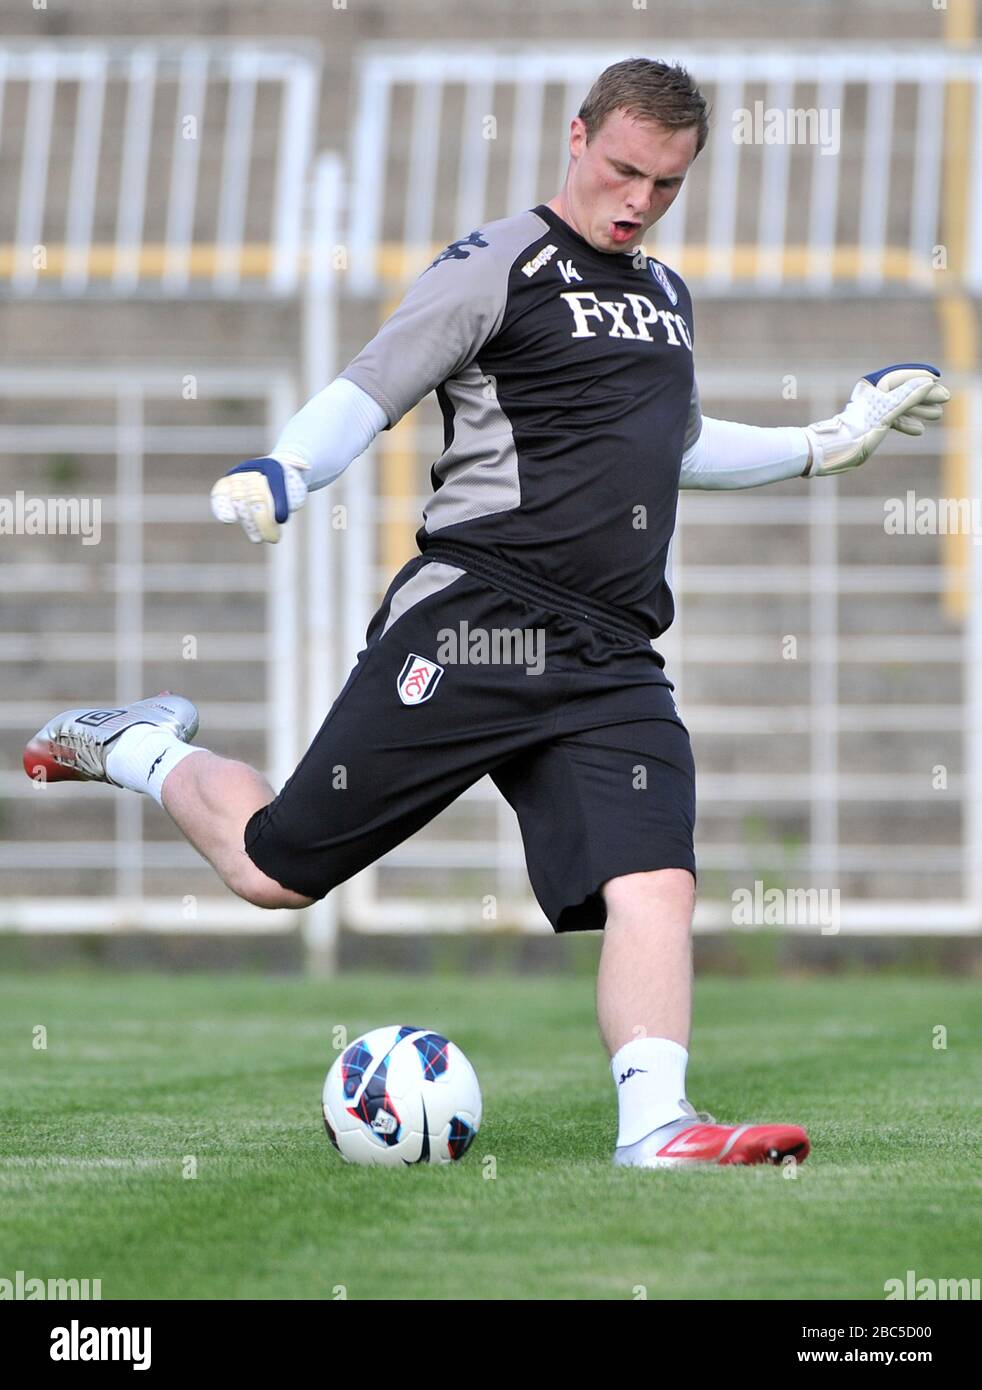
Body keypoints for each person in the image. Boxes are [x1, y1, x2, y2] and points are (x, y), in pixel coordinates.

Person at [26, 58, 948, 1168]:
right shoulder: (495, 262)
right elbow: (375, 382)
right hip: (481, 621)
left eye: (665, 185)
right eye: (621, 171)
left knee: (655, 875)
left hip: (613, 649)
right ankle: (136, 746)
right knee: (276, 869)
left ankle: (655, 1125)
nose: (638, 202)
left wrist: (821, 445)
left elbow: (678, 445)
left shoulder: (662, 296)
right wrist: (286, 469)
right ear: (575, 137)